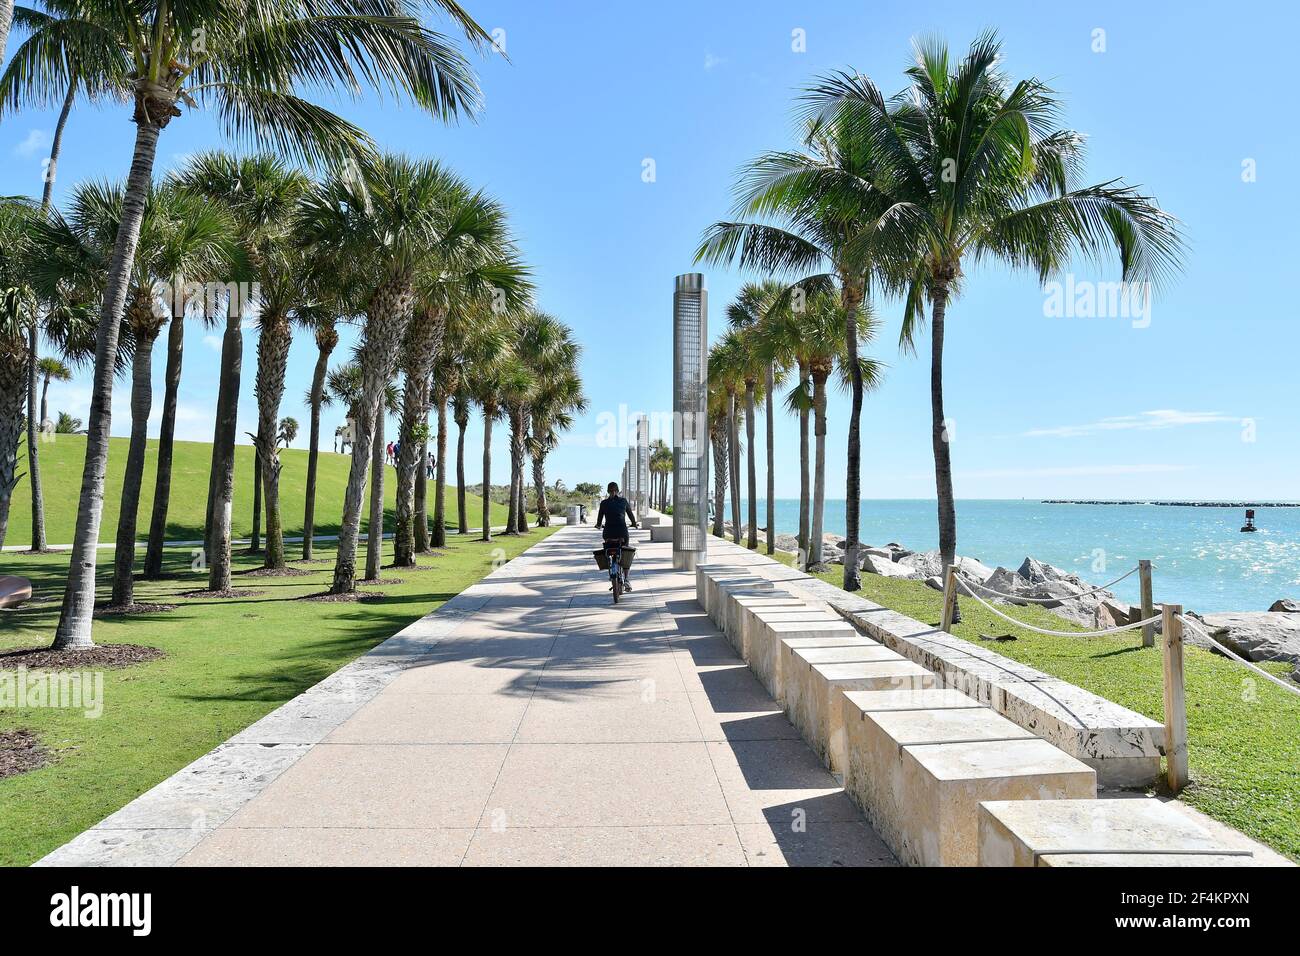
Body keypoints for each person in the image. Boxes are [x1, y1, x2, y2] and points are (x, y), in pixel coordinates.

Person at [595, 482, 638, 591]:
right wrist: (634, 523)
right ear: (617, 490)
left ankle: (611, 569)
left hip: (608, 533)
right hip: (622, 533)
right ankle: (627, 579)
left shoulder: (604, 503)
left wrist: (599, 525)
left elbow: (599, 519)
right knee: (625, 552)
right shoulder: (623, 501)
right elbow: (630, 515)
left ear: (608, 491)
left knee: (608, 550)